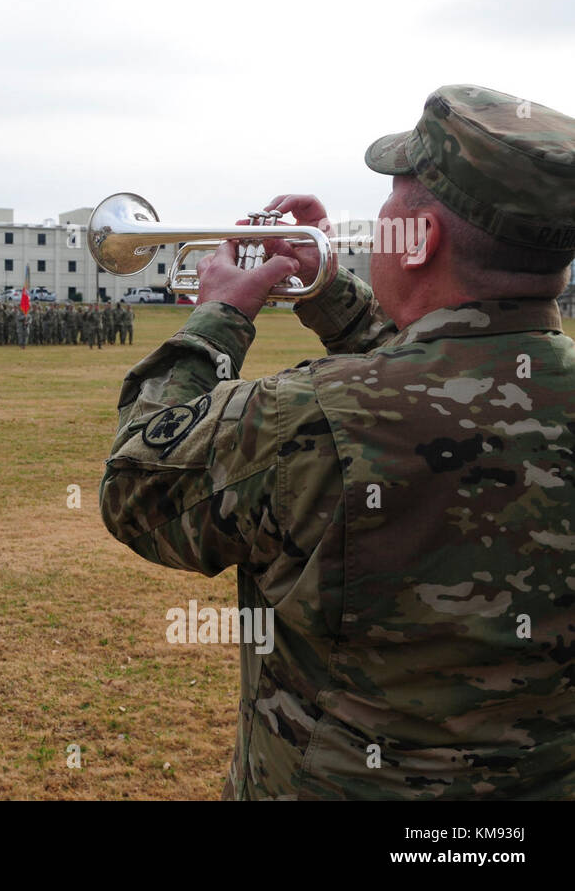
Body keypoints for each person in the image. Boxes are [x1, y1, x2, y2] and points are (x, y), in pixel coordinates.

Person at [99, 84, 575, 800]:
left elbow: (137, 484)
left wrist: (218, 317)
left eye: (388, 209)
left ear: (423, 242)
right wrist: (327, 291)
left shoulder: (315, 417)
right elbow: (449, 375)